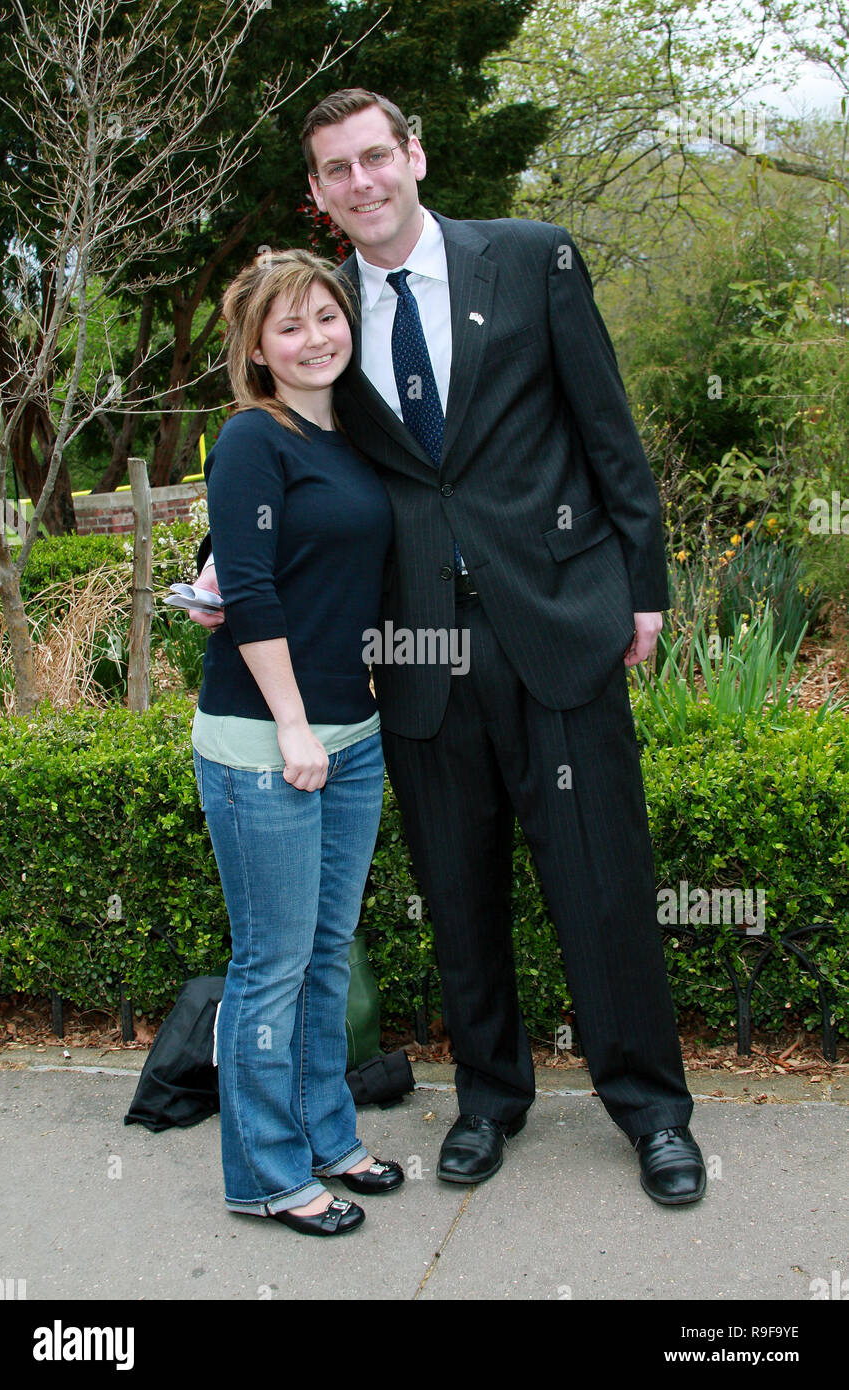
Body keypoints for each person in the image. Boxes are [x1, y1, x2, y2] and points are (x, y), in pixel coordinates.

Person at [197, 88, 707, 1205]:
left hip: (559, 626)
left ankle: (650, 1110)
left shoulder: (530, 261)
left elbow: (607, 430)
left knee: (602, 886)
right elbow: (288, 460)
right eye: (337, 169)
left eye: (375, 155)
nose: (362, 181)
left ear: (413, 155)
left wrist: (641, 586)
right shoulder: (329, 313)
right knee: (458, 897)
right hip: (418, 652)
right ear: (320, 195)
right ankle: (488, 1099)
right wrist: (215, 560)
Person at [190, 246, 402, 1237]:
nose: (315, 336)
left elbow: (263, 559)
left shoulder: (356, 438)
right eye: (289, 325)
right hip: (263, 737)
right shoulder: (250, 438)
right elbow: (253, 591)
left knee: (324, 954)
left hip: (351, 734)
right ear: (256, 349)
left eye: (327, 315)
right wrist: (288, 726)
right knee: (269, 962)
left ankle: (327, 1132)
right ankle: (265, 1172)